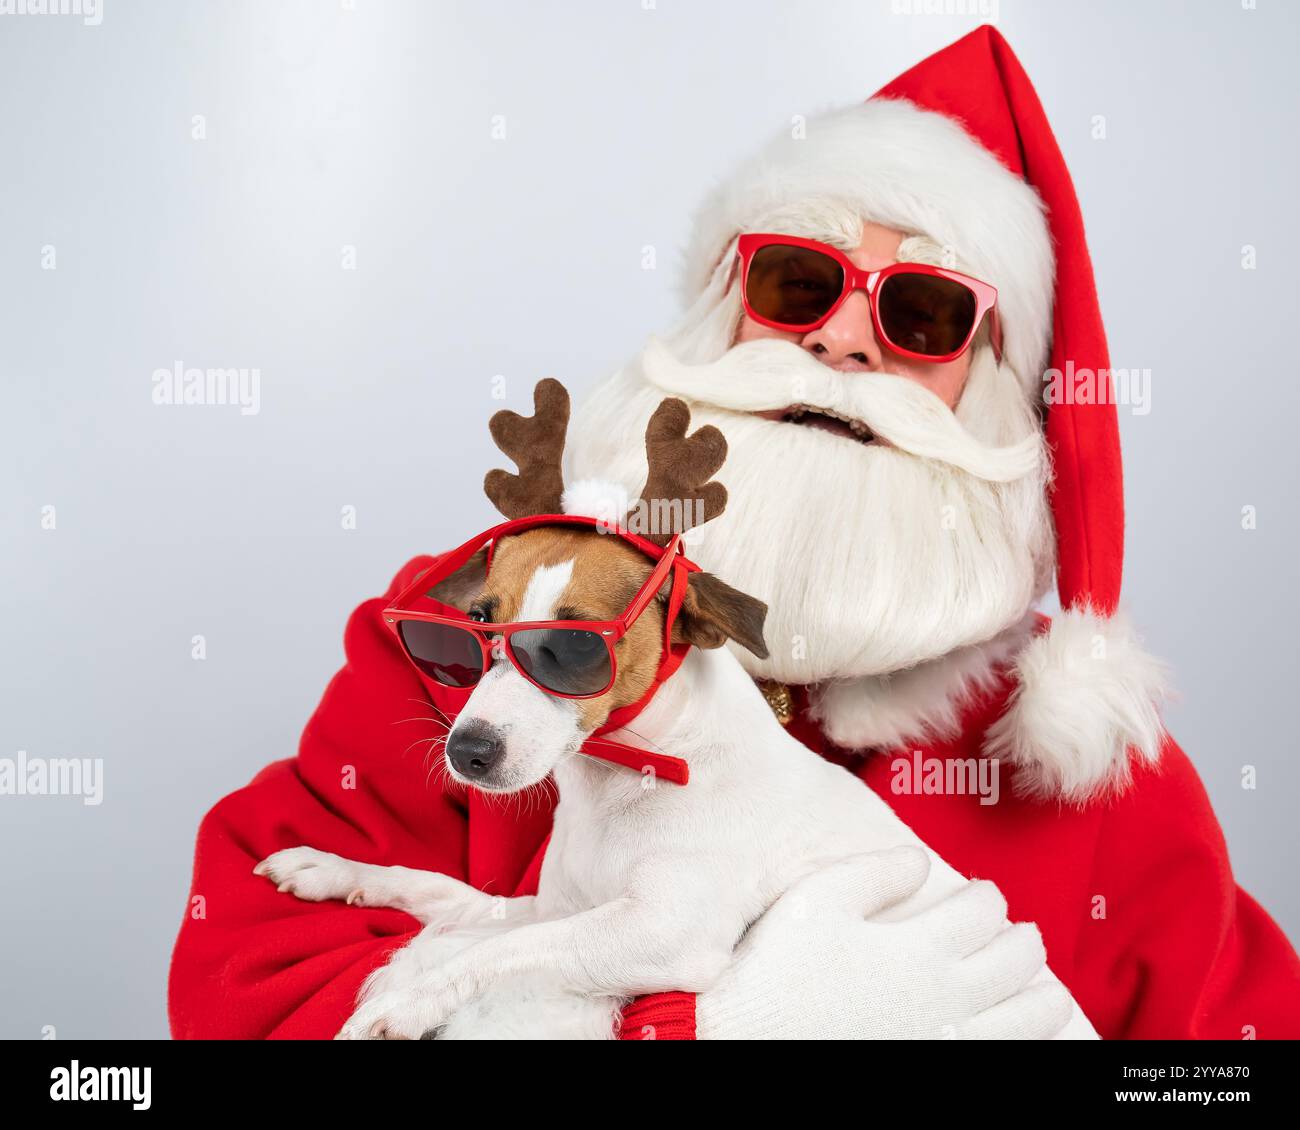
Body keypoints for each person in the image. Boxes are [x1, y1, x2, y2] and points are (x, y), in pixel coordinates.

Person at [168, 26, 1300, 1040]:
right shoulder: (487, 625)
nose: (846, 344)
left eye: (922, 314)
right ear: (723, 315)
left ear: (991, 399)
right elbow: (250, 959)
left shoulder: (1099, 785)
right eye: (798, 281)